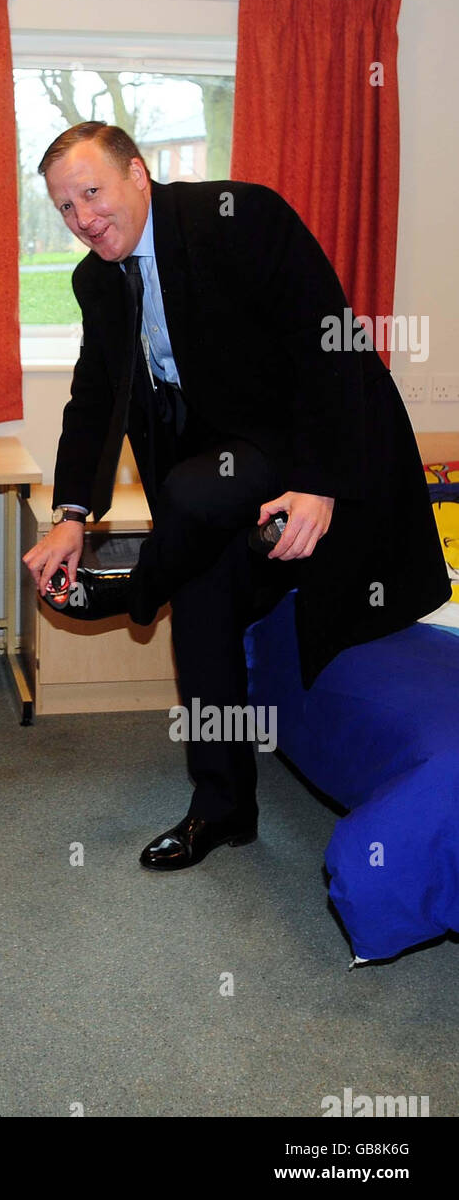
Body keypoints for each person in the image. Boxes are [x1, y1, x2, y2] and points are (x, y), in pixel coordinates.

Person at [23, 123, 449, 871]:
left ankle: (131, 589)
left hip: (307, 434)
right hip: (226, 461)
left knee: (189, 492)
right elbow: (94, 401)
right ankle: (221, 807)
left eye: (91, 193)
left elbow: (333, 343)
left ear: (137, 173)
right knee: (203, 602)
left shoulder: (239, 217)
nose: (83, 218)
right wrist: (69, 518)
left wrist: (319, 483)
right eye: (64, 207)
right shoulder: (97, 280)